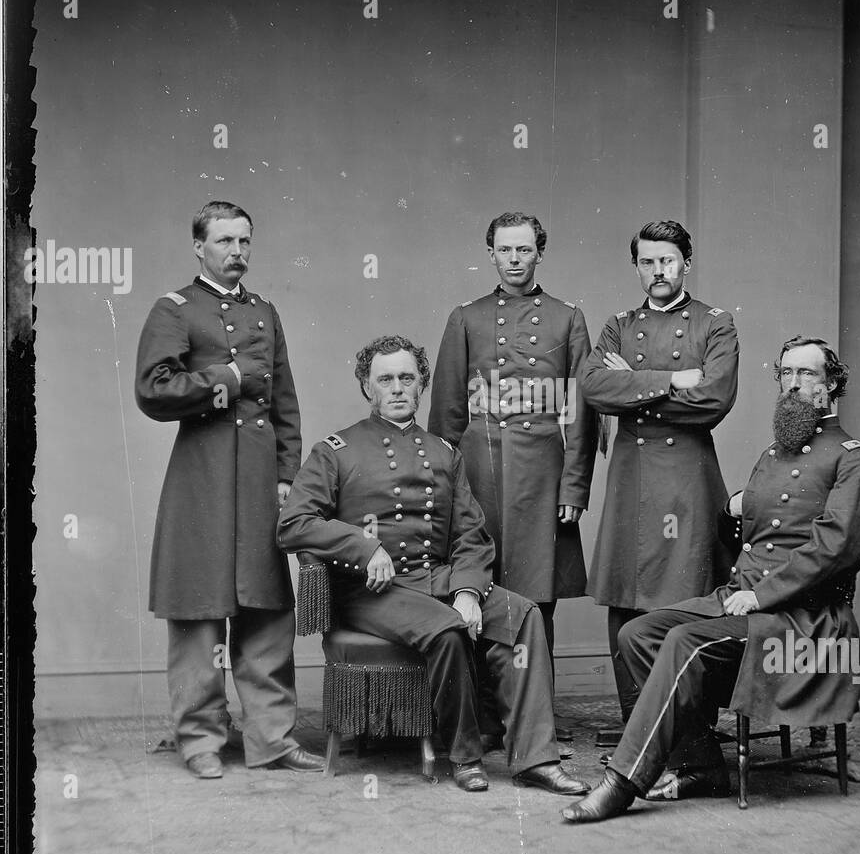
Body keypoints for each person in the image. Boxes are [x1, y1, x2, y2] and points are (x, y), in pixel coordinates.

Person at [562, 335, 860, 823]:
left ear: (832, 385)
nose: (792, 385)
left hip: (804, 620)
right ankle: (701, 765)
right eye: (785, 373)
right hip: (747, 598)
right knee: (637, 633)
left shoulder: (850, 458)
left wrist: (760, 594)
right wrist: (733, 511)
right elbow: (752, 536)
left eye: (807, 374)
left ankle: (623, 782)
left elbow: (834, 549)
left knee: (686, 641)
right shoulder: (775, 453)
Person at [276, 334, 591, 797]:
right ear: (367, 387)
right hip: (370, 592)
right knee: (447, 631)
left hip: (437, 580)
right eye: (386, 379)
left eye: (407, 377)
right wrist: (364, 547)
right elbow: (293, 524)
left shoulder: (444, 451)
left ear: (422, 383)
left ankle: (535, 759)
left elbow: (470, 533)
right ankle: (465, 757)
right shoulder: (336, 450)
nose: (398, 387)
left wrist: (466, 590)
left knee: (524, 615)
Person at [136, 200, 323, 778]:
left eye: (244, 242)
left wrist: (288, 475)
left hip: (261, 480)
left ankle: (271, 738)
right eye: (224, 242)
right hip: (203, 478)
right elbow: (154, 389)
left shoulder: (265, 312)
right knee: (198, 610)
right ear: (199, 246)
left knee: (265, 610)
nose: (236, 252)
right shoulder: (175, 309)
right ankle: (200, 741)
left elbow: (285, 403)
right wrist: (227, 380)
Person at [578, 219, 739, 726]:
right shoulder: (619, 324)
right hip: (633, 480)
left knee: (687, 594)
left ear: (686, 263)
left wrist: (636, 389)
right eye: (646, 262)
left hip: (686, 481)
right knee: (625, 593)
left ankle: (690, 728)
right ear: (637, 267)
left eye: (666, 260)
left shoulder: (715, 323)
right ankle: (636, 726)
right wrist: (674, 379)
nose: (657, 271)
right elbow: (594, 388)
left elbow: (712, 400)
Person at [428, 213, 597, 670]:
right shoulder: (466, 317)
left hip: (543, 476)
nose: (515, 259)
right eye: (505, 249)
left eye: (524, 249)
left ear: (540, 253)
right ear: (491, 254)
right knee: (474, 583)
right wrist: (440, 490)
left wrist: (574, 488)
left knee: (537, 594)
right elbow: (446, 412)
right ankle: (482, 711)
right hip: (478, 473)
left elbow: (580, 413)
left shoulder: (568, 318)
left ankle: (533, 706)